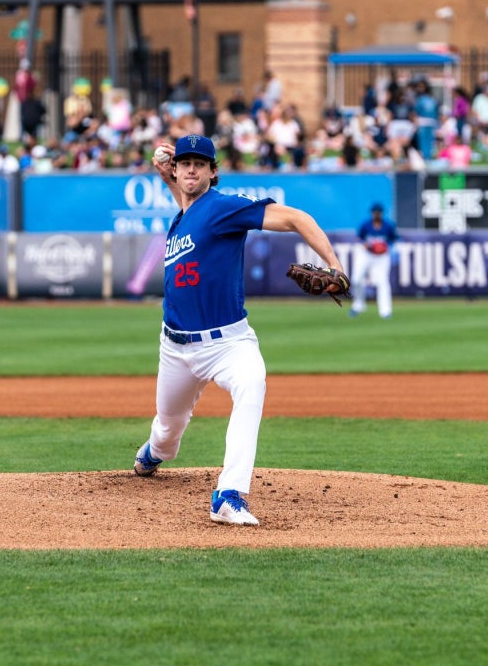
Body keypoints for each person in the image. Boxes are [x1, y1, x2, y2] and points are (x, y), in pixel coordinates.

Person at [133, 134, 347, 526]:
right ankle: (153, 453)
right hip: (176, 348)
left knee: (253, 382)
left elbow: (298, 218)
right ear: (176, 170)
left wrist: (334, 264)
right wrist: (169, 177)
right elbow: (187, 200)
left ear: (214, 172)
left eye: (200, 163)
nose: (191, 169)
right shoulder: (184, 214)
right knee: (167, 431)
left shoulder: (224, 208)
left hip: (229, 342)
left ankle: (229, 495)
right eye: (185, 163)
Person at [349, 202, 399, 320]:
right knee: (356, 279)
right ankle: (359, 304)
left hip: (381, 256)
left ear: (381, 213)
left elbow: (394, 240)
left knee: (382, 282)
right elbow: (359, 238)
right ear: (372, 213)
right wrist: (364, 244)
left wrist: (386, 246)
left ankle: (385, 311)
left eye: (378, 212)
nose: (376, 214)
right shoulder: (366, 225)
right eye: (375, 212)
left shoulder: (388, 226)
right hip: (366, 254)